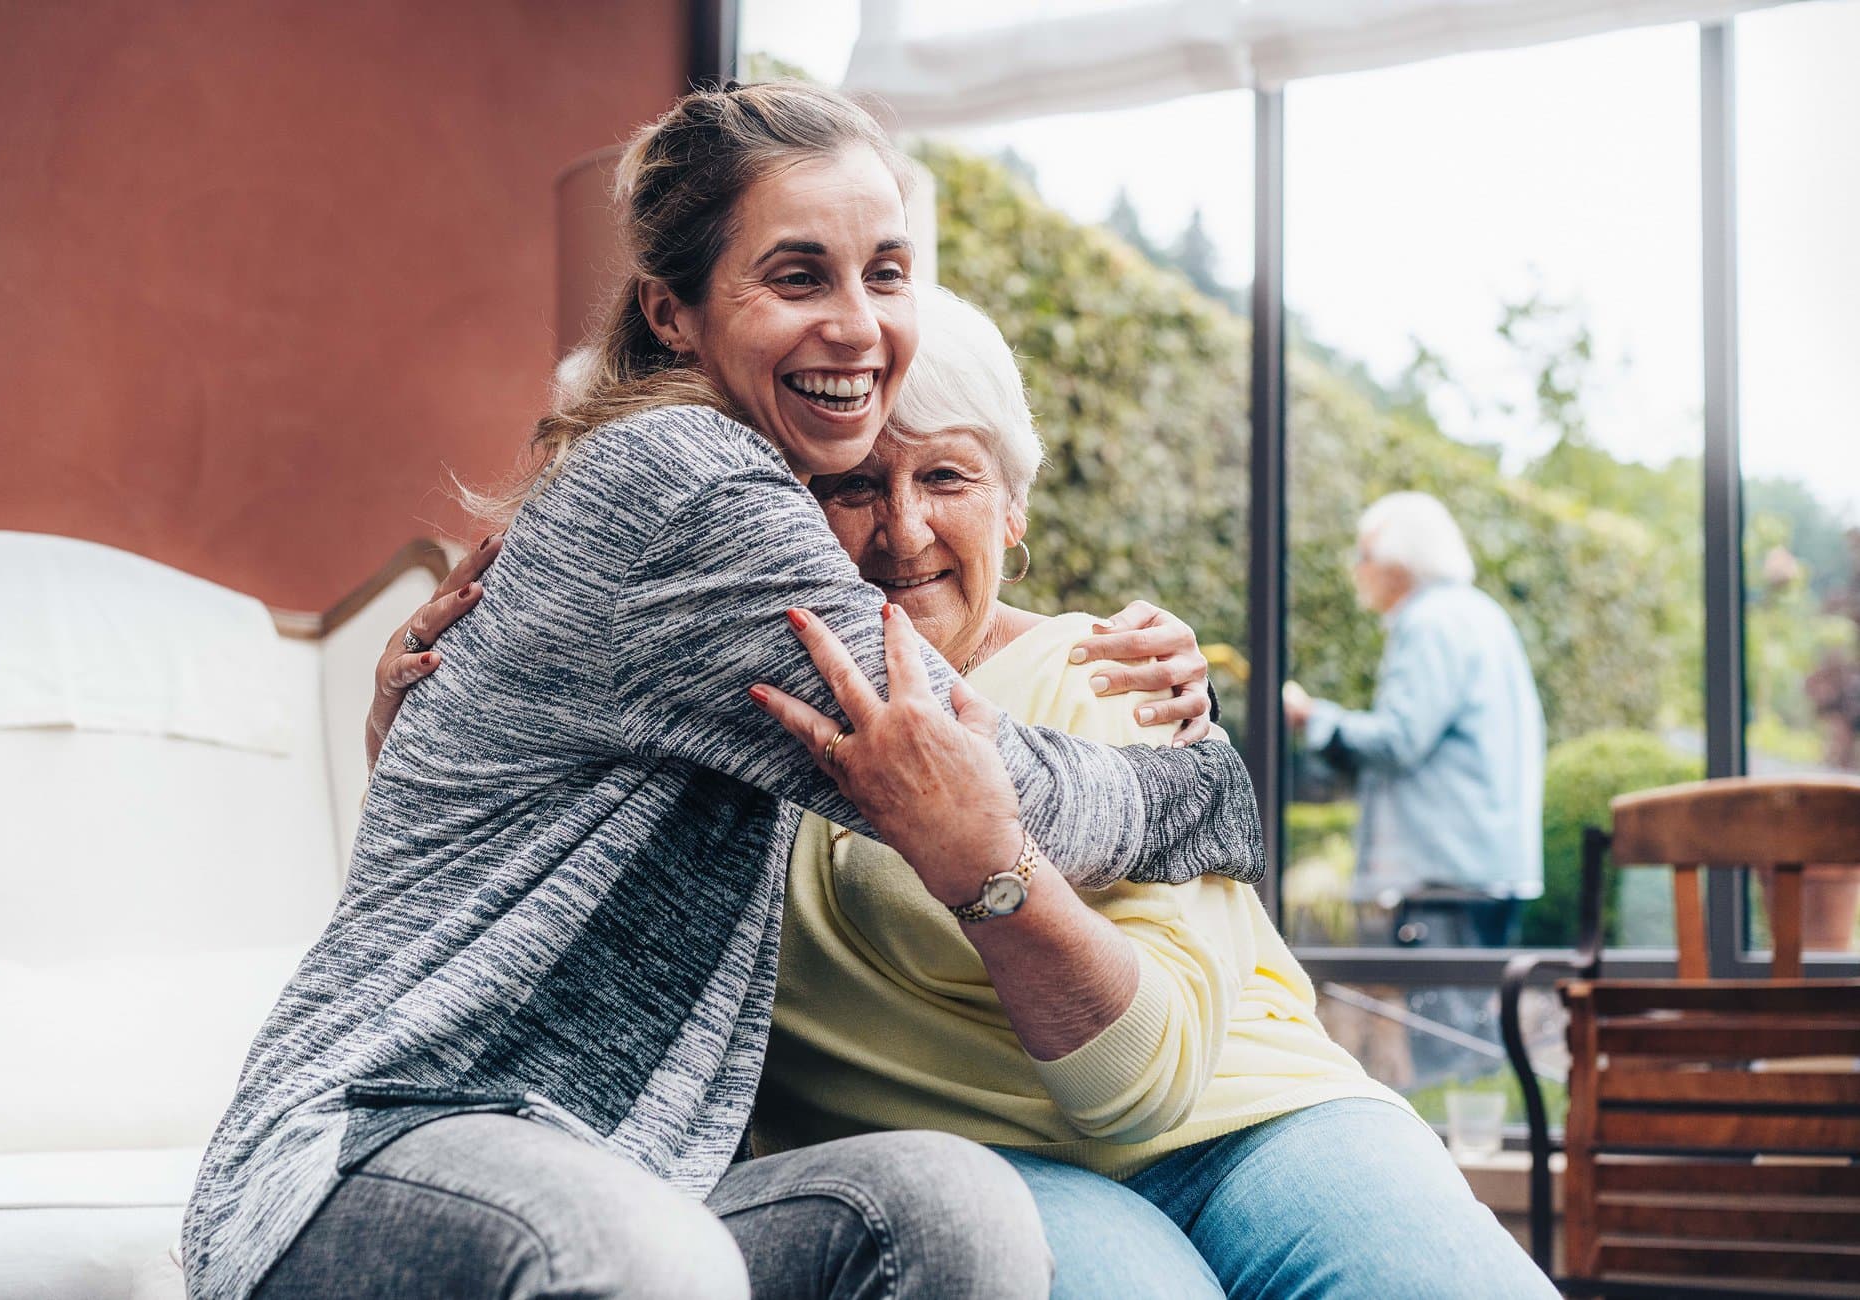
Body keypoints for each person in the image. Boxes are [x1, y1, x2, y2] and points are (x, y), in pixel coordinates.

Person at [183, 81, 1264, 1300]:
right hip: (381, 1146)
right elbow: (970, 774)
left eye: (886, 271)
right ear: (675, 312)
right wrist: (1210, 786)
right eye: (798, 277)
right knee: (640, 1253)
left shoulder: (735, 485)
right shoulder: (688, 485)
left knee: (950, 1210)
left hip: (632, 1167)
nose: (857, 326)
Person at [380, 289, 1559, 1300]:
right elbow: (511, 911)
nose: (901, 531)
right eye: (848, 487)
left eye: (946, 475)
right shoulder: (702, 722)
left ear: (1012, 509)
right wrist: (417, 740)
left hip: (1252, 1118)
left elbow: (1147, 1088)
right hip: (971, 1169)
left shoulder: (1109, 675)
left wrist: (984, 863)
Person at [1284, 492, 1545, 949]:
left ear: (1399, 561)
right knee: (1468, 1019)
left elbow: (1400, 740)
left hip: (1446, 876)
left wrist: (1314, 718)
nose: (1356, 570)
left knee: (1442, 1019)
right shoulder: (1480, 614)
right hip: (1485, 867)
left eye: (1364, 555)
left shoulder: (1430, 622)